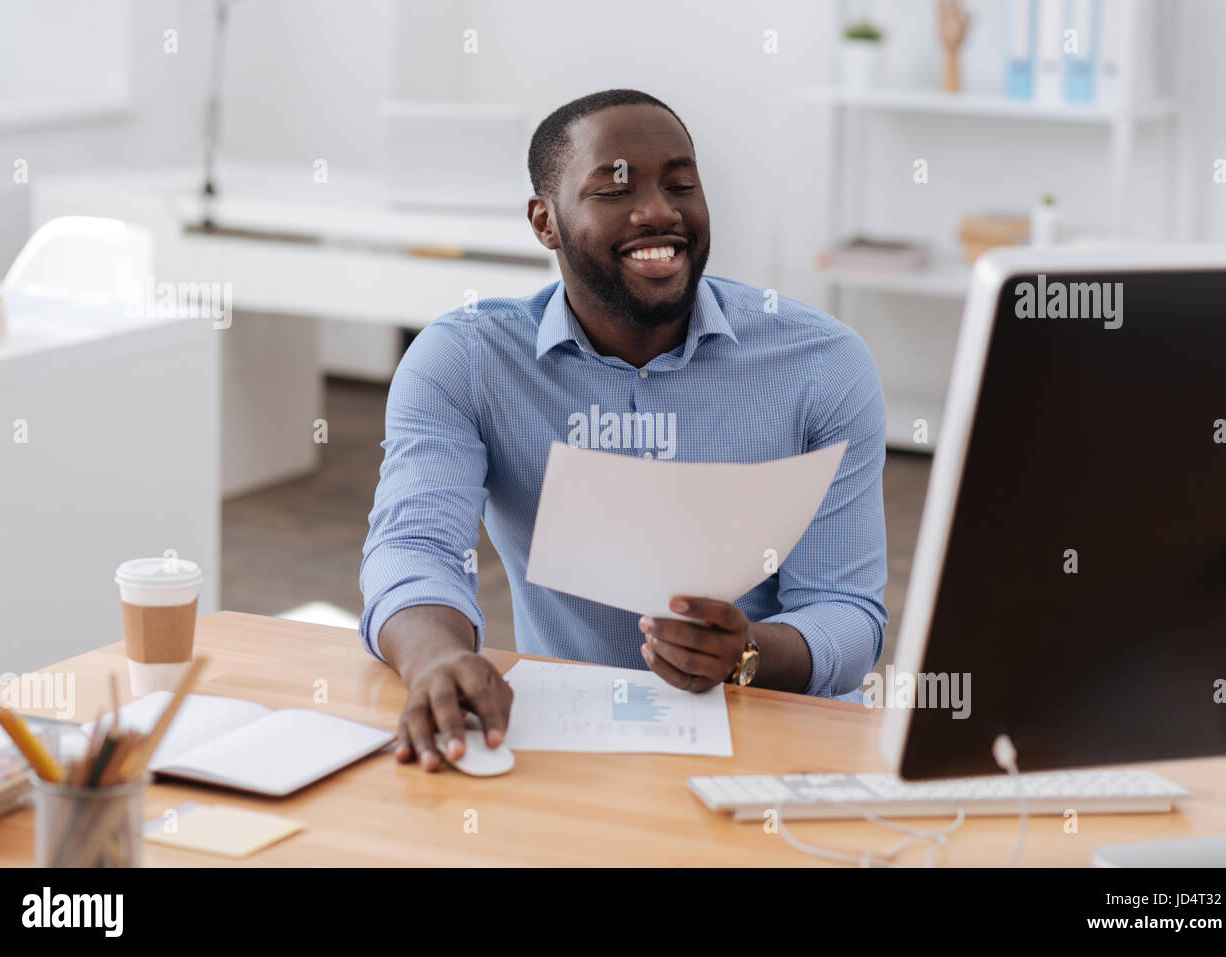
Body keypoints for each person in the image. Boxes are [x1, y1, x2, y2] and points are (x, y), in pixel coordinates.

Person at [360, 89, 887, 771]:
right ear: (544, 222)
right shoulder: (467, 361)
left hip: (773, 741)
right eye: (615, 188)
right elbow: (414, 546)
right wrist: (437, 658)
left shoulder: (820, 363)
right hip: (575, 746)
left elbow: (847, 612)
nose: (659, 210)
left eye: (681, 184)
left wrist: (746, 652)